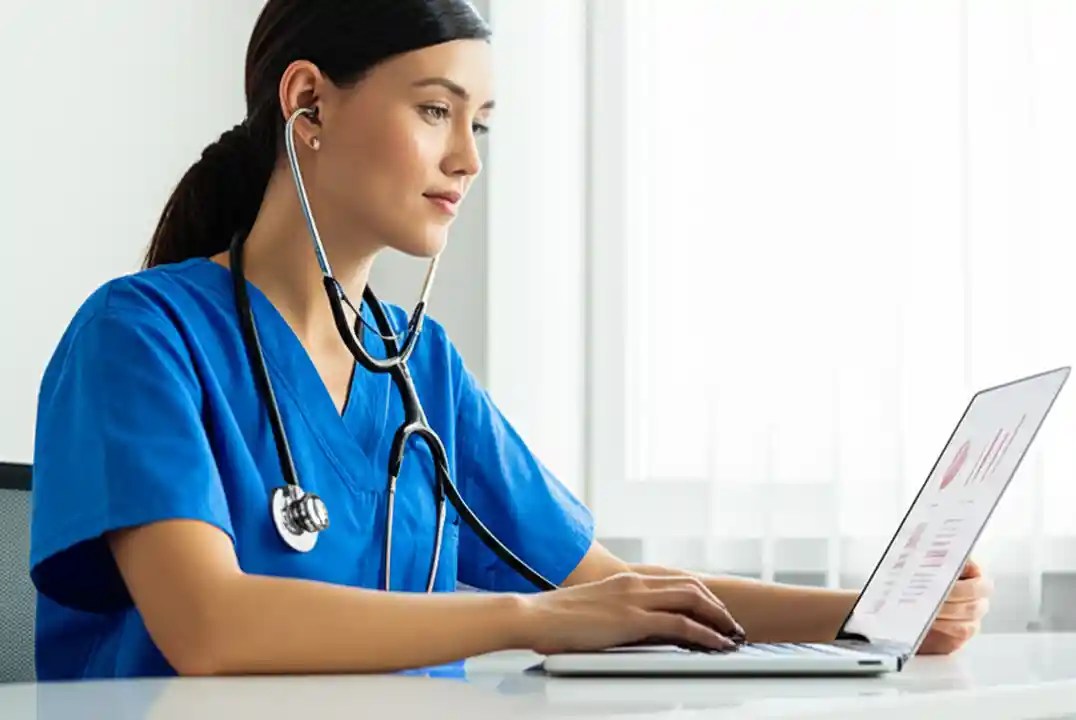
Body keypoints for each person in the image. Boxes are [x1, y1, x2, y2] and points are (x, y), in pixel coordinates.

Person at [27, 0, 992, 680]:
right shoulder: (141, 335)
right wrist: (530, 621)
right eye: (436, 109)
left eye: (481, 123)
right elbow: (208, 627)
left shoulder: (420, 365)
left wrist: (868, 612)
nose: (468, 159)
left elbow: (612, 591)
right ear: (309, 102)